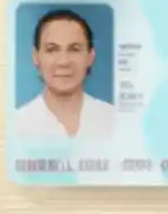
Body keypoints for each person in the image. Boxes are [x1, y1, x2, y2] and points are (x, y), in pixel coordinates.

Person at [15, 9, 115, 139]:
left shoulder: (115, 120)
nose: (63, 61)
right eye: (52, 50)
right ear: (36, 57)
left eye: (74, 49)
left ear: (90, 56)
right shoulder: (17, 126)